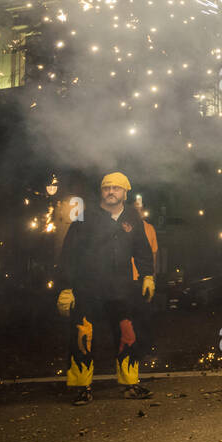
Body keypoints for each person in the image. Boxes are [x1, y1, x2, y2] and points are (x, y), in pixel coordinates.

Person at [56, 172, 155, 404]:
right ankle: (82, 387)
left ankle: (130, 384)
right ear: (101, 191)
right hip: (88, 287)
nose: (111, 192)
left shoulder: (132, 218)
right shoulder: (85, 218)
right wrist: (66, 288)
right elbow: (69, 254)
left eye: (116, 188)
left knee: (127, 333)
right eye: (106, 188)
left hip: (120, 288)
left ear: (125, 192)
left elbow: (142, 249)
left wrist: (148, 275)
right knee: (83, 335)